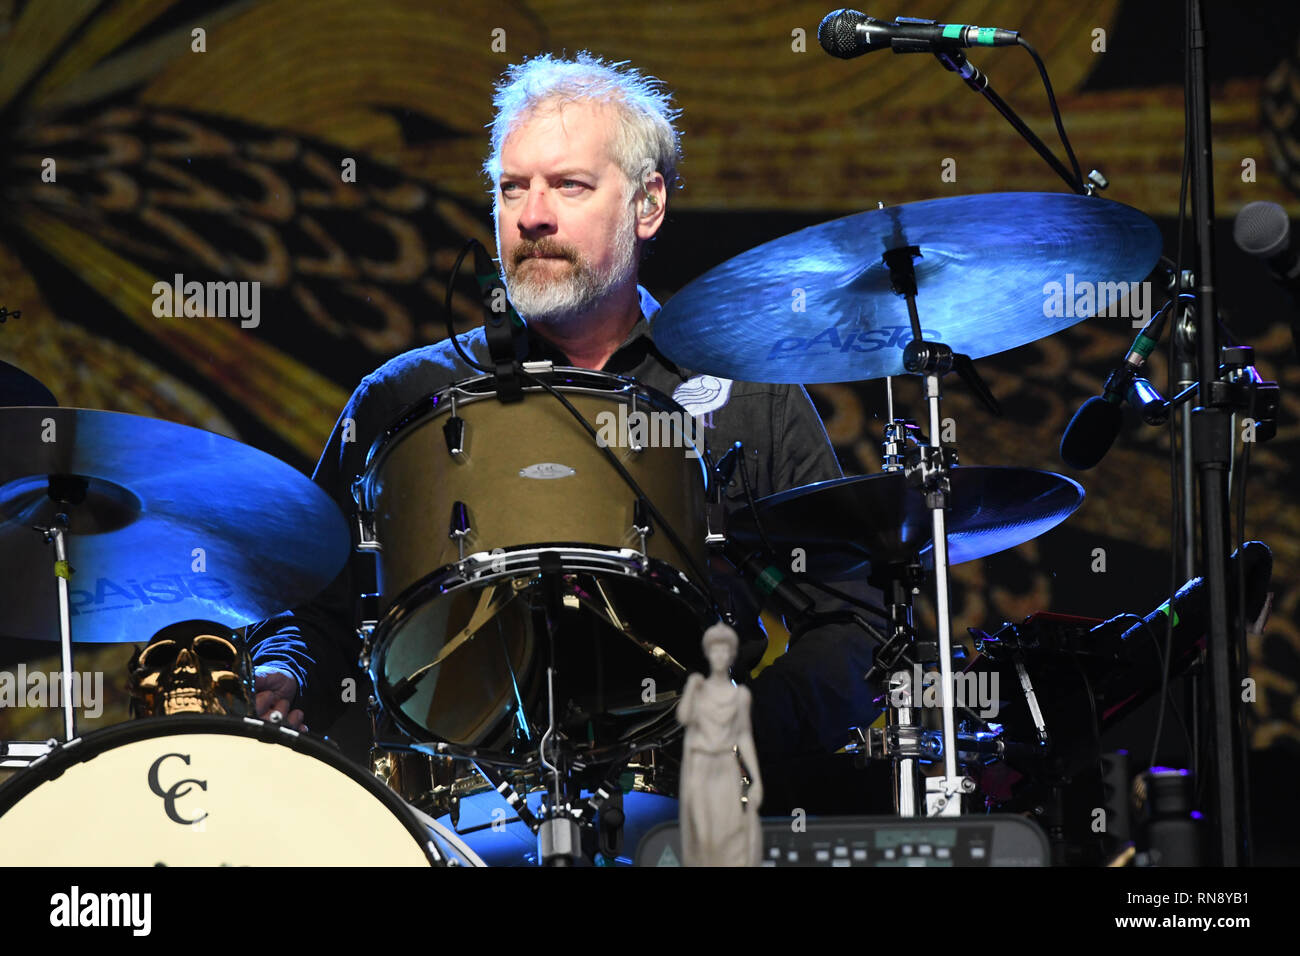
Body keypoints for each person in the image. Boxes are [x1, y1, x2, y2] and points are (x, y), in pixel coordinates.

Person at [248, 52, 878, 785]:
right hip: (459, 817)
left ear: (648, 205)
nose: (531, 215)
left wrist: (746, 735)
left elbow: (854, 624)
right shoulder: (403, 395)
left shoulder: (747, 395)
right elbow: (311, 607)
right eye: (511, 187)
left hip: (694, 810)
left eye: (569, 185)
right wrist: (285, 677)